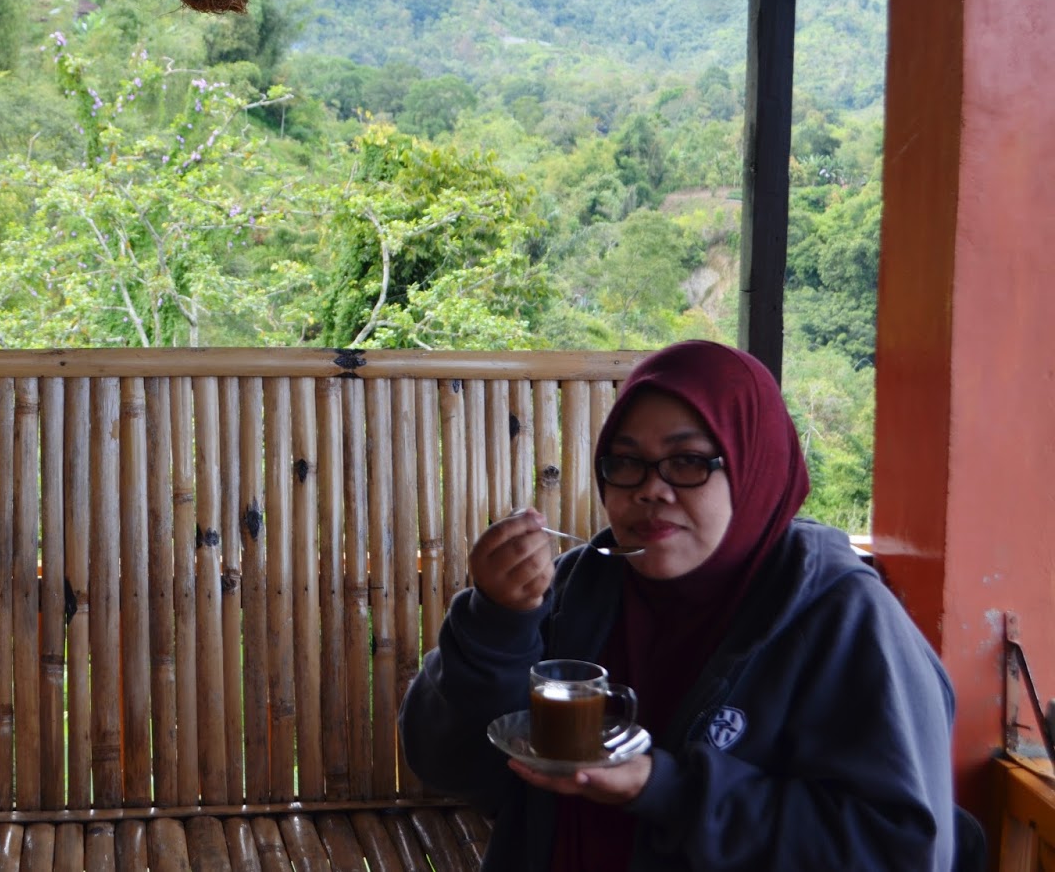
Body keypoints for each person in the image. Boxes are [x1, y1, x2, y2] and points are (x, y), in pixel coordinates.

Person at [398, 339, 957, 870]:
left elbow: (899, 851)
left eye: (687, 461)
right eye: (625, 462)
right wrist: (495, 623)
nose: (651, 489)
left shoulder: (843, 617)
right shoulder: (578, 588)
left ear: (753, 467)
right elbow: (447, 764)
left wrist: (664, 789)